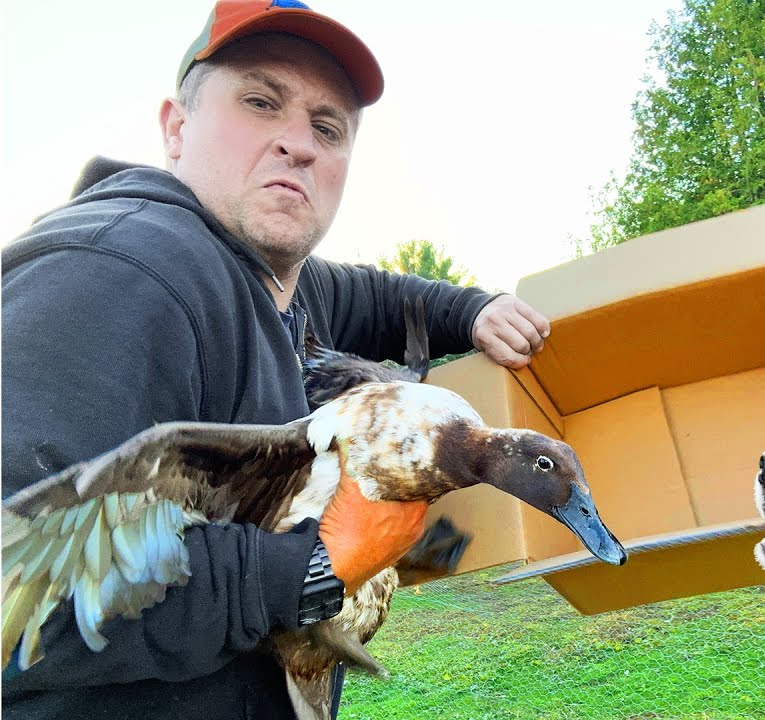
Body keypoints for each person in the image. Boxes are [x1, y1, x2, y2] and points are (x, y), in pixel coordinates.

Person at [0, 1, 550, 717]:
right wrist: (313, 566)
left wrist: (473, 308)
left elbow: (381, 296)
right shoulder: (114, 275)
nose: (299, 144)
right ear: (176, 127)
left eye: (328, 127)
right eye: (261, 102)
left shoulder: (281, 279)